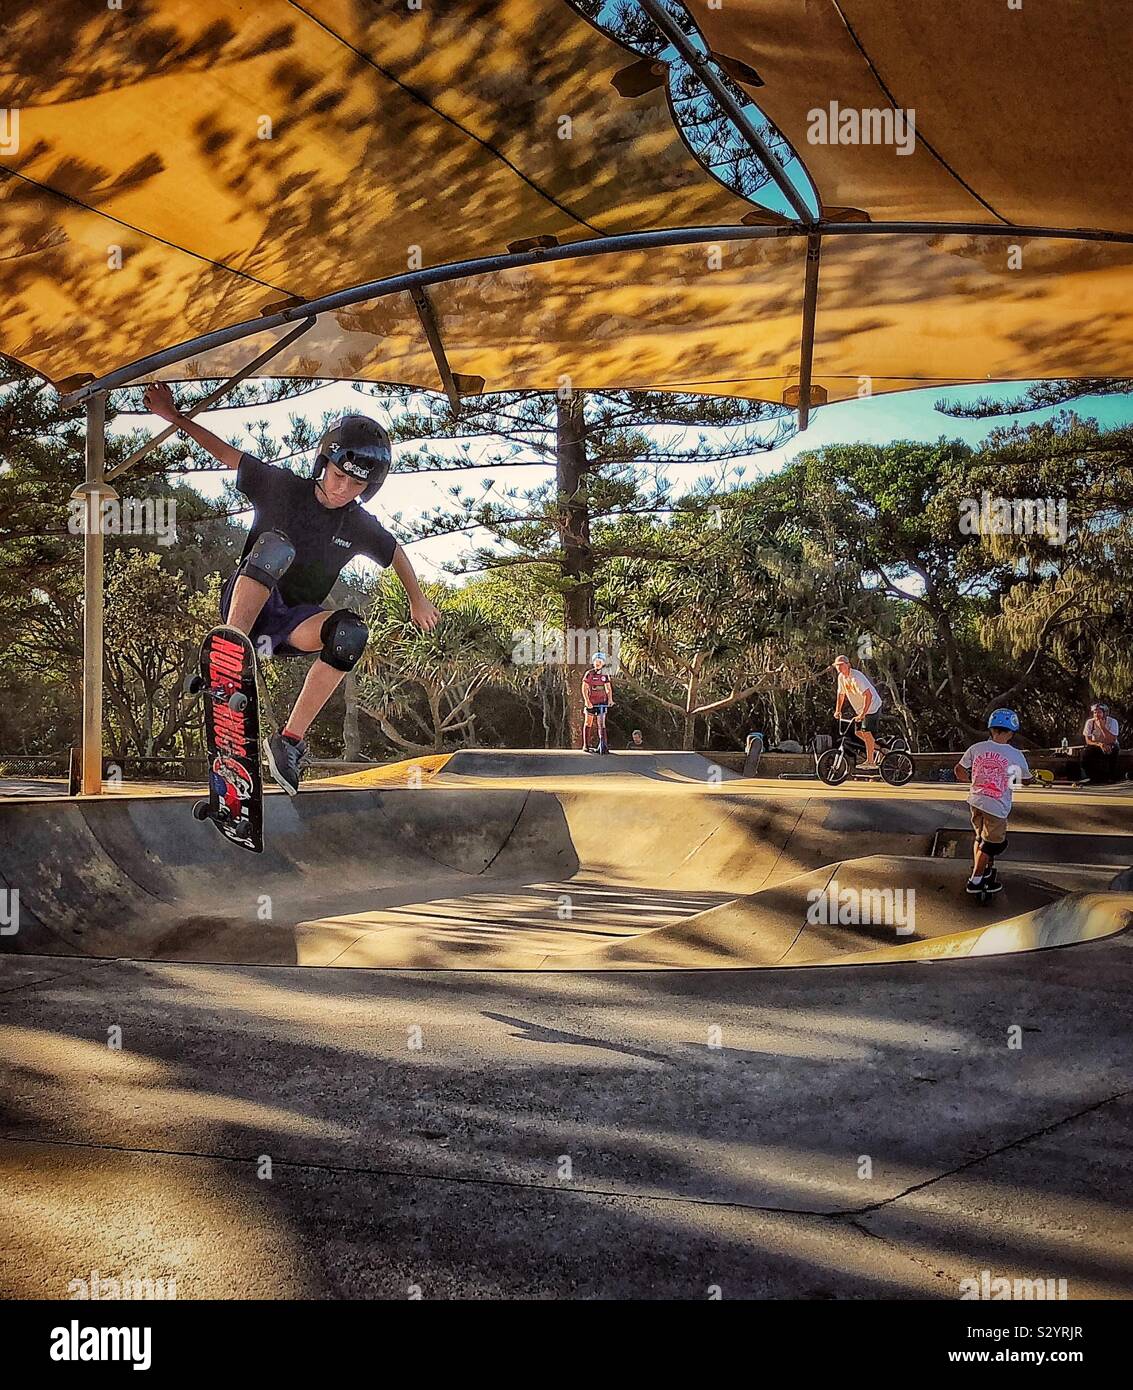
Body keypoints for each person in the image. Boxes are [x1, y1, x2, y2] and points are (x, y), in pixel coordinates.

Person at [143, 384, 441, 793]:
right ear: (324, 463)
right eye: (338, 477)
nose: (341, 490)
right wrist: (174, 417)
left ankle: (288, 743)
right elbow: (226, 453)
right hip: (247, 602)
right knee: (276, 546)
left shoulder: (358, 524)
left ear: (367, 489)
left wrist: (417, 598)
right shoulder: (280, 487)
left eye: (355, 487)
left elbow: (395, 552)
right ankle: (230, 648)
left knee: (350, 633)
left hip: (289, 625)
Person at [953, 709, 1033, 895]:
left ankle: (983, 871)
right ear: (1012, 732)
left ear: (991, 729)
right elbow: (1025, 780)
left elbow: (959, 770)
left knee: (980, 838)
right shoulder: (1015, 754)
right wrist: (1029, 779)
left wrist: (972, 781)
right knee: (991, 845)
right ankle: (975, 881)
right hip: (997, 806)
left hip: (976, 801)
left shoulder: (977, 748)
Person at [832, 654, 883, 770]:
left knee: (866, 732)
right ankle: (880, 749)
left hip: (872, 706)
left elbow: (868, 695)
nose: (839, 668)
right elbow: (841, 694)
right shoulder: (841, 677)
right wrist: (838, 710)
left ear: (848, 665)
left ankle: (870, 761)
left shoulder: (857, 677)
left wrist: (863, 714)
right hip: (861, 709)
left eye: (841, 665)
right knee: (858, 732)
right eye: (837, 666)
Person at [581, 652, 614, 754]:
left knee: (601, 723)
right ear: (594, 662)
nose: (598, 663)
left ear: (603, 663)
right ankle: (586, 745)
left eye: (600, 662)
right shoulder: (589, 674)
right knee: (588, 722)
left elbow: (608, 688)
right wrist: (587, 701)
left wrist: (610, 700)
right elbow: (584, 688)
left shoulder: (605, 675)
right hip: (591, 702)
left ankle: (604, 745)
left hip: (601, 702)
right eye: (596, 662)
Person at [1079, 702, 1120, 784]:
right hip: (1097, 744)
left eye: (1099, 712)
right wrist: (1100, 744)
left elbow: (1112, 739)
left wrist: (1102, 727)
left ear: (1105, 713)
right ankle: (1092, 777)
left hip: (1110, 744)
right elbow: (1088, 740)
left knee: (1113, 749)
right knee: (1086, 753)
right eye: (1095, 712)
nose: (1097, 715)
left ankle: (1111, 777)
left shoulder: (1113, 722)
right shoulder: (1090, 722)